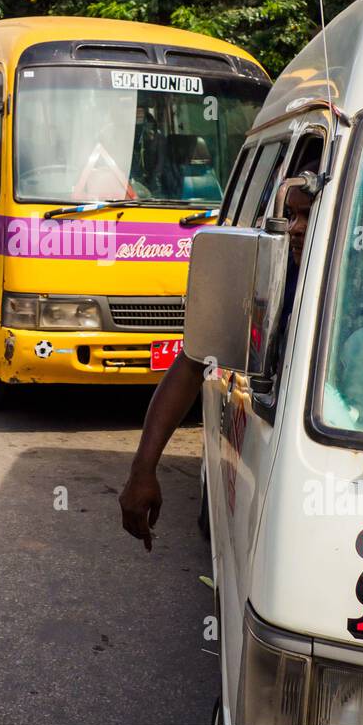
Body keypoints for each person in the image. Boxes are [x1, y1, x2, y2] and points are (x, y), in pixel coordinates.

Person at [118, 157, 318, 550]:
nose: (295, 228)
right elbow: (193, 361)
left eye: (309, 216)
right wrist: (142, 468)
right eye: (289, 215)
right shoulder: (263, 268)